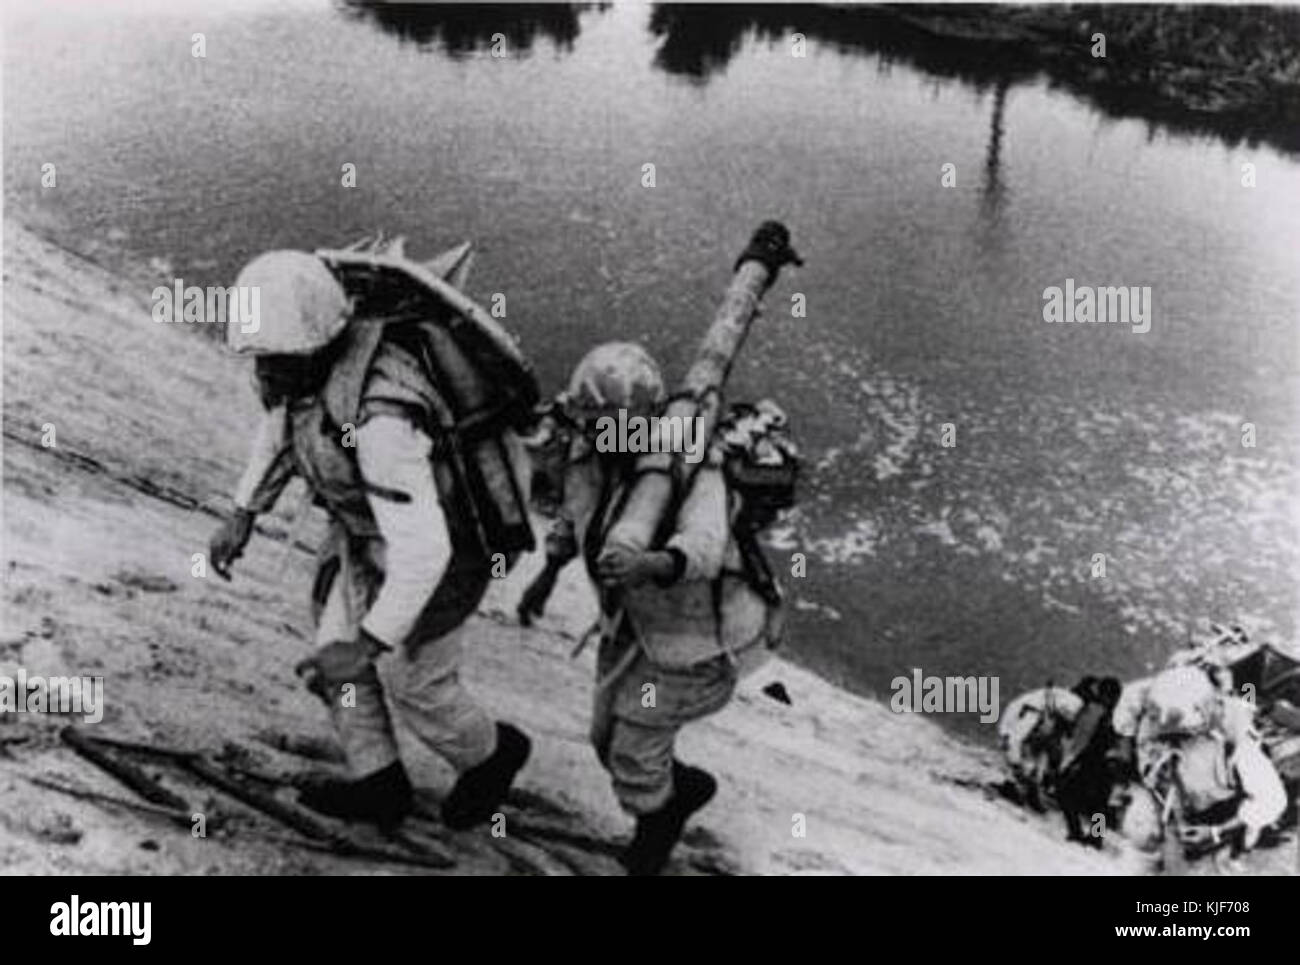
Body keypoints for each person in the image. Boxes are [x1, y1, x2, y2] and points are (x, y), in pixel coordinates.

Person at [207, 248, 535, 830]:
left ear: (316, 347)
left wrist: (372, 642)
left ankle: (490, 756)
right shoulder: (306, 369)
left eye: (274, 361)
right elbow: (283, 426)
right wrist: (243, 513)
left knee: (416, 685)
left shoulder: (383, 421)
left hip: (445, 552)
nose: (264, 375)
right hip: (365, 538)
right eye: (259, 360)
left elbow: (424, 552)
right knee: (334, 659)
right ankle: (380, 781)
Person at [518, 342, 782, 874]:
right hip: (634, 624)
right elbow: (576, 516)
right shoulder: (589, 453)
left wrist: (652, 564)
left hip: (696, 639)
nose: (596, 434)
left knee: (635, 741)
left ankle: (658, 827)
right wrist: (548, 573)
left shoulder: (692, 468)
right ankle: (677, 788)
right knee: (605, 736)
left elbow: (704, 546)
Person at [1111, 664, 1286, 856]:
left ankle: (1239, 848)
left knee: (1230, 841)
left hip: (1213, 807)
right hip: (1166, 792)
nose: (1165, 738)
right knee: (1140, 836)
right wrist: (1123, 774)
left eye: (1184, 735)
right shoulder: (1150, 694)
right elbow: (1126, 721)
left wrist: (1215, 832)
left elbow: (1272, 800)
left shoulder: (1240, 747)